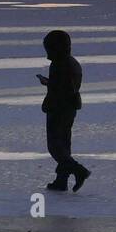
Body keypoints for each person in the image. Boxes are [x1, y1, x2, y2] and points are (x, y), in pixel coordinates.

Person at [36, 29, 89, 192]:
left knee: (56, 146)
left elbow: (65, 89)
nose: (48, 53)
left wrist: (49, 83)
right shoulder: (66, 62)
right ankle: (61, 180)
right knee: (63, 145)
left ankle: (79, 170)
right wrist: (49, 82)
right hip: (65, 107)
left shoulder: (63, 64)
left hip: (60, 108)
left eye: (50, 49)